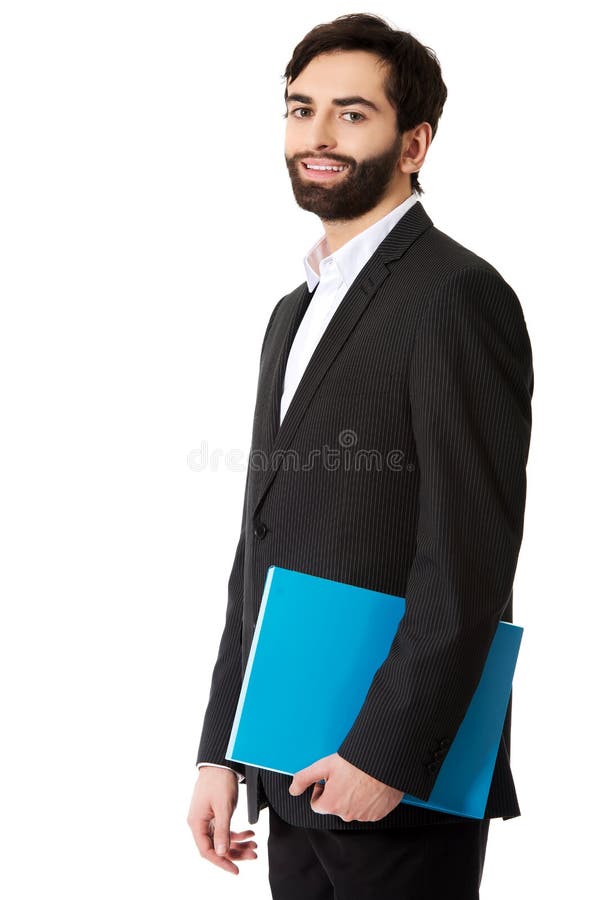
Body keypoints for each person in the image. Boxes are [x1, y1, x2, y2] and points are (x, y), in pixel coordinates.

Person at [187, 13, 534, 899]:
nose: (317, 136)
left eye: (351, 114)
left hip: (393, 783)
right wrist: (223, 749)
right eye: (301, 111)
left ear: (413, 141)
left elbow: (470, 556)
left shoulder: (456, 296)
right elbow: (258, 546)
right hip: (286, 763)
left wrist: (388, 757)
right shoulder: (290, 314)